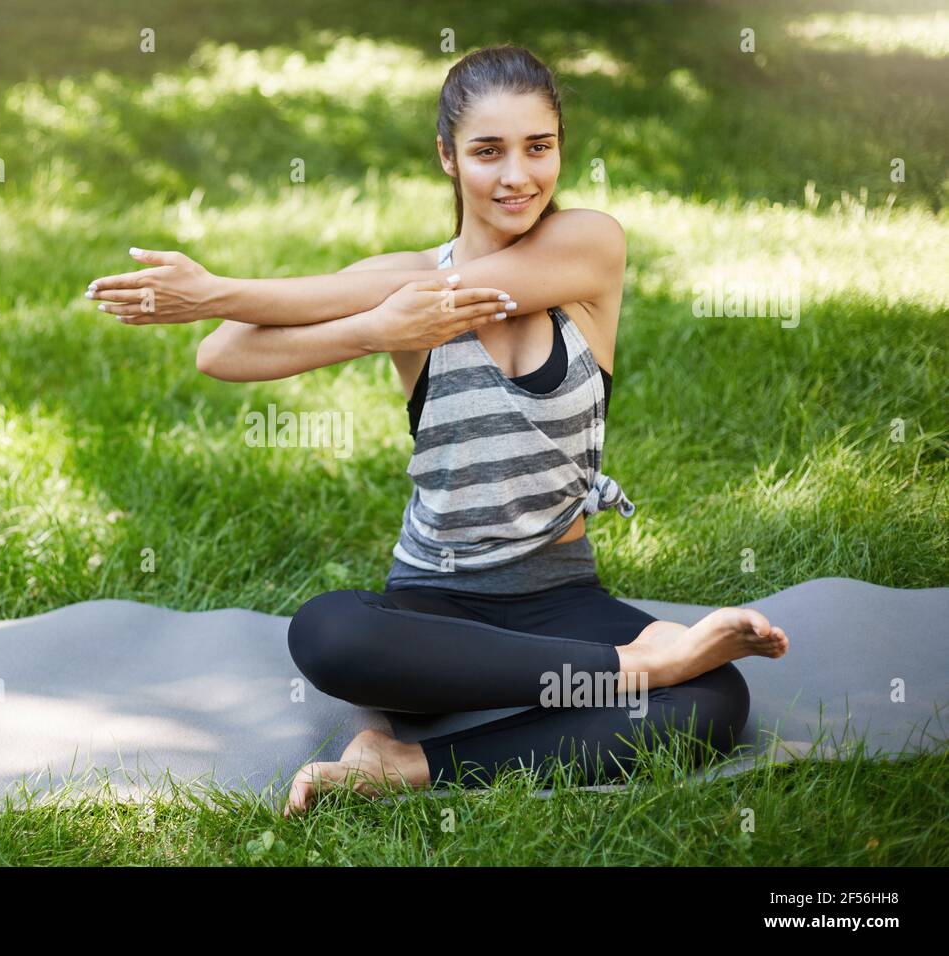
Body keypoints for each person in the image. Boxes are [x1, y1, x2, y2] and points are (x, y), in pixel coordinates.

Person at [84, 44, 789, 818]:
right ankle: (633, 667)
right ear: (447, 158)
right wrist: (373, 329)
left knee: (717, 701)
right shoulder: (403, 283)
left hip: (560, 596)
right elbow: (222, 353)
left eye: (539, 147)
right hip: (434, 603)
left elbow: (451, 288)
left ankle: (408, 764)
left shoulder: (591, 246)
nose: (517, 175)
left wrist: (220, 288)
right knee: (330, 635)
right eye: (488, 151)